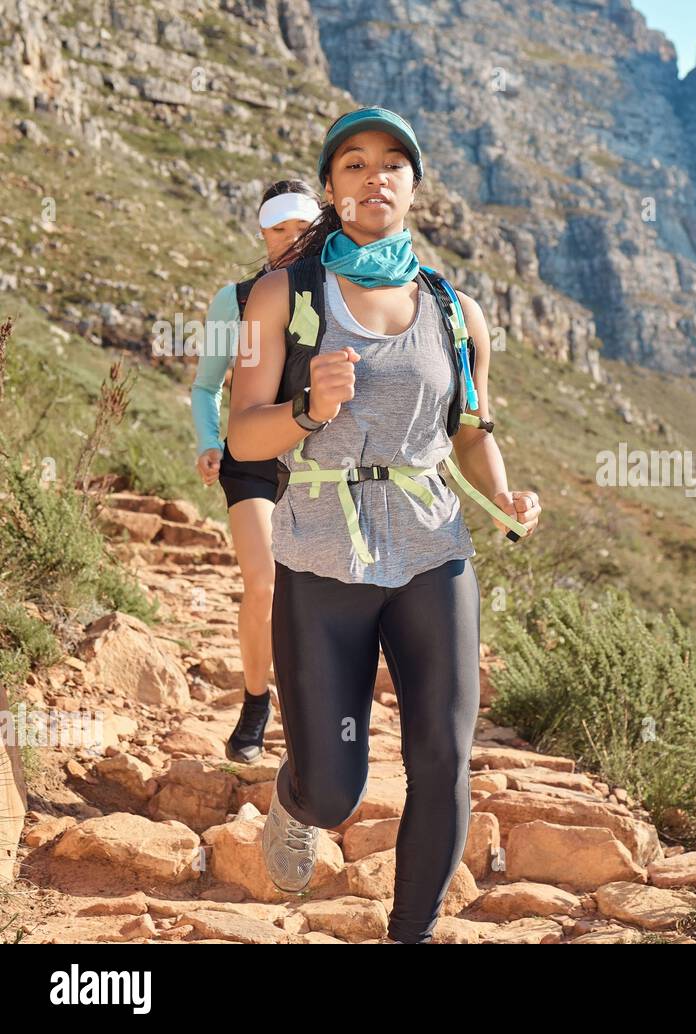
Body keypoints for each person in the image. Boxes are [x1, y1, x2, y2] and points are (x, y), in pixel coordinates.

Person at [227, 106, 542, 943]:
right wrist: (307, 406)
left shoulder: (453, 307)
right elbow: (244, 431)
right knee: (337, 787)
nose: (377, 177)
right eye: (356, 164)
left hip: (433, 551)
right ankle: (296, 801)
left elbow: (473, 429)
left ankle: (411, 932)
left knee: (442, 759)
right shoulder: (282, 295)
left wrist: (504, 494)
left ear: (413, 186)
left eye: (394, 163)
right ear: (332, 188)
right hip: (320, 558)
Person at [193, 180, 321, 765]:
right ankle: (254, 702)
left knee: (313, 591)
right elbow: (204, 385)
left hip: (316, 463)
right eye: (279, 230)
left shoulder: (339, 293)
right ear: (262, 233)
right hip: (248, 459)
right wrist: (207, 442)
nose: (292, 241)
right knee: (265, 581)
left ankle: (311, 711)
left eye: (303, 229)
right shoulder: (237, 299)